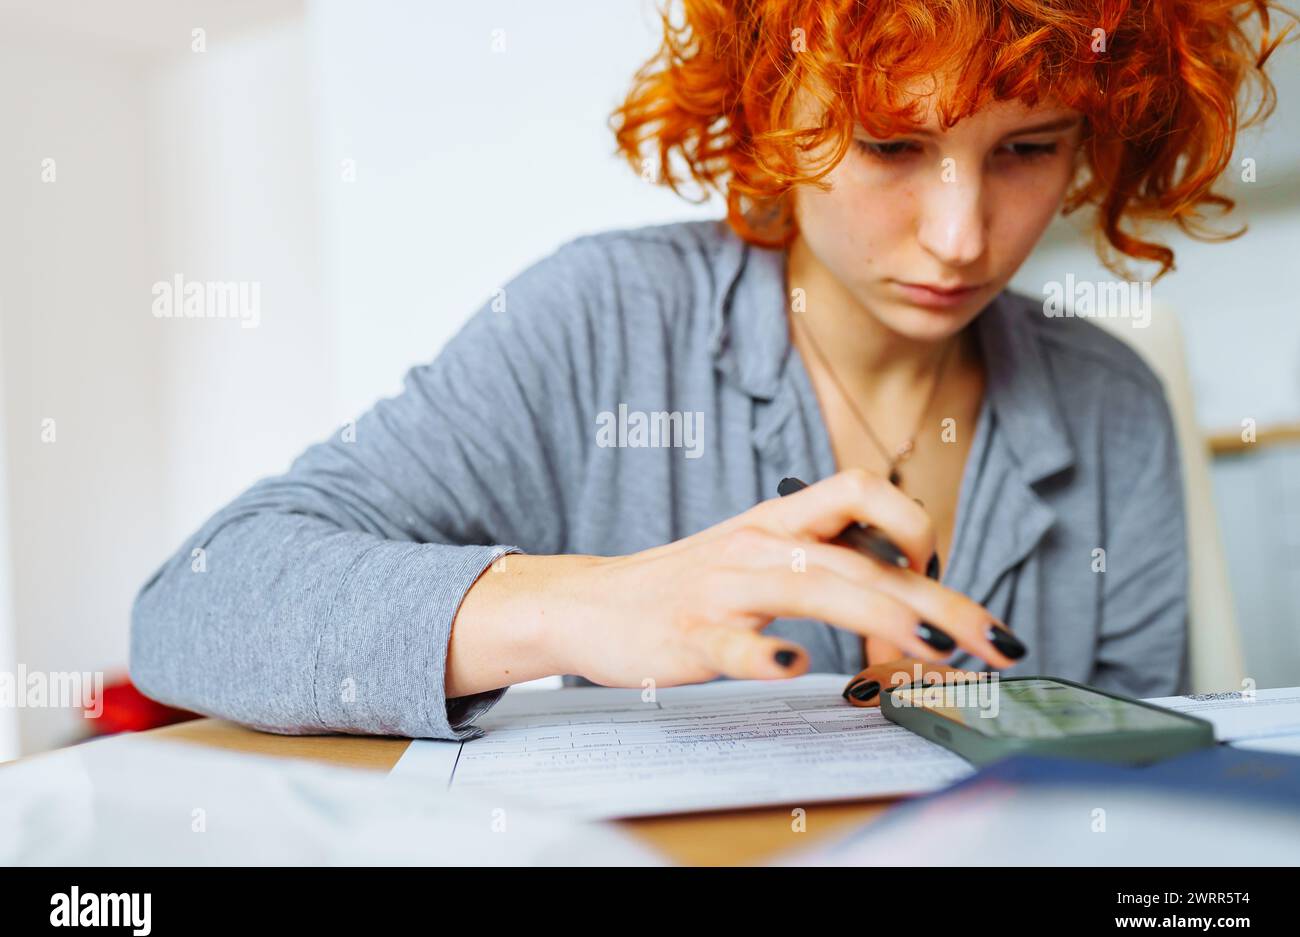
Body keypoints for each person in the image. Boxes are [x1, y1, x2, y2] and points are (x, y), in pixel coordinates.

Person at [130, 0, 1291, 739]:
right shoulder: (601, 323)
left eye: (1026, 151)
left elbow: (1133, 788)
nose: (958, 235)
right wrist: (574, 604)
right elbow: (195, 604)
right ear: (766, 115)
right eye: (890, 144)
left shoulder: (1113, 402)